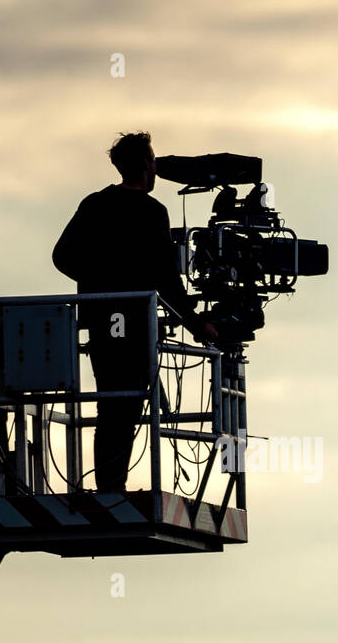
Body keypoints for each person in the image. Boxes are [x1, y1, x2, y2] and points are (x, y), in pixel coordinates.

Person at [52, 131, 215, 493]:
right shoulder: (152, 213)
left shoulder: (94, 204)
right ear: (145, 164)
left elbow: (62, 256)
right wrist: (197, 324)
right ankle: (113, 485)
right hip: (133, 323)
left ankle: (111, 483)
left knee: (111, 402)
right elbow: (167, 281)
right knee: (124, 404)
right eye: (154, 161)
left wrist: (98, 281)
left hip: (100, 320)